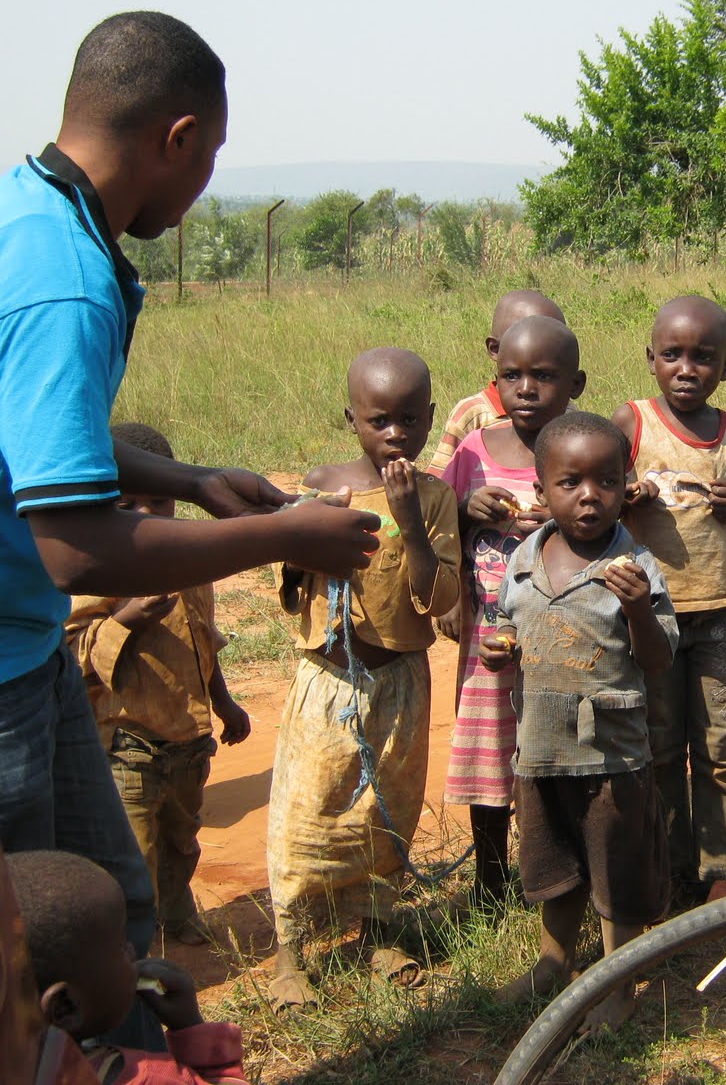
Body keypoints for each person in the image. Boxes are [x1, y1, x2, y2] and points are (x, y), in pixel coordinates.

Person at [0, 11, 376, 1039]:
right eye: (214, 156)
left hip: (8, 647)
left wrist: (188, 478)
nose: (205, 185)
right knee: (15, 970)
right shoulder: (55, 274)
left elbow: (27, 427)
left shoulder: (15, 211)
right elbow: (80, 550)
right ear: (180, 137)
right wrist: (291, 537)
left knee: (111, 913)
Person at [268, 348, 462, 1008]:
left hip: (400, 683)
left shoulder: (435, 499)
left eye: (411, 419)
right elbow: (290, 585)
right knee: (308, 809)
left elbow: (437, 600)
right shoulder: (323, 485)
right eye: (380, 420)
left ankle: (377, 929)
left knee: (390, 811)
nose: (396, 434)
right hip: (329, 682)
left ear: (431, 417)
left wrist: (409, 524)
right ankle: (290, 950)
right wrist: (306, 543)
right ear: (352, 417)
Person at [479, 411, 677, 1033]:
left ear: (626, 485)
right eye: (571, 483)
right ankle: (553, 962)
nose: (590, 496)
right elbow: (509, 624)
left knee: (616, 870)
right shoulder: (525, 559)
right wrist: (497, 645)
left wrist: (639, 609)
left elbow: (658, 661)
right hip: (539, 748)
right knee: (553, 862)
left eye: (608, 482)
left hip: (611, 752)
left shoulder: (638, 568)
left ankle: (619, 984)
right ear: (540, 493)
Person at [66, 421, 252, 949]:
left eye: (159, 505)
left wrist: (225, 703)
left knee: (181, 839)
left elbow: (203, 641)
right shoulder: (93, 571)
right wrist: (126, 618)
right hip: (128, 743)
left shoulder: (187, 562)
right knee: (136, 849)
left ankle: (178, 911)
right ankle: (135, 949)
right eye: (128, 505)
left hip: (187, 740)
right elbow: (72, 654)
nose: (146, 518)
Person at [614, 295, 726, 902]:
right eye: (672, 355)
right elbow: (604, 498)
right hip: (655, 614)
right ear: (650, 358)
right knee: (661, 742)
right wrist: (632, 495)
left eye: (704, 358)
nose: (686, 368)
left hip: (722, 610)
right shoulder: (633, 423)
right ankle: (671, 861)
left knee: (721, 743)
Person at [436, 316, 586, 916]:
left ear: (575, 384)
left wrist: (556, 515)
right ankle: (489, 882)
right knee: (490, 753)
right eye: (512, 375)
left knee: (553, 751)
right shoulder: (475, 449)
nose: (526, 388)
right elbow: (439, 523)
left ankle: (553, 875)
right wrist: (469, 509)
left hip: (563, 635)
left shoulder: (581, 445)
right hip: (491, 639)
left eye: (543, 376)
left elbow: (604, 519)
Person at [8, 849, 247, 1084]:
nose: (133, 950)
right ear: (65, 1007)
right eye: (121, 945)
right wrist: (191, 1028)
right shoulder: (153, 1079)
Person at [425, 289, 567, 478]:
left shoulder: (568, 414)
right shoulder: (472, 415)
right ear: (495, 348)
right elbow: (440, 488)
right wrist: (467, 505)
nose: (537, 344)